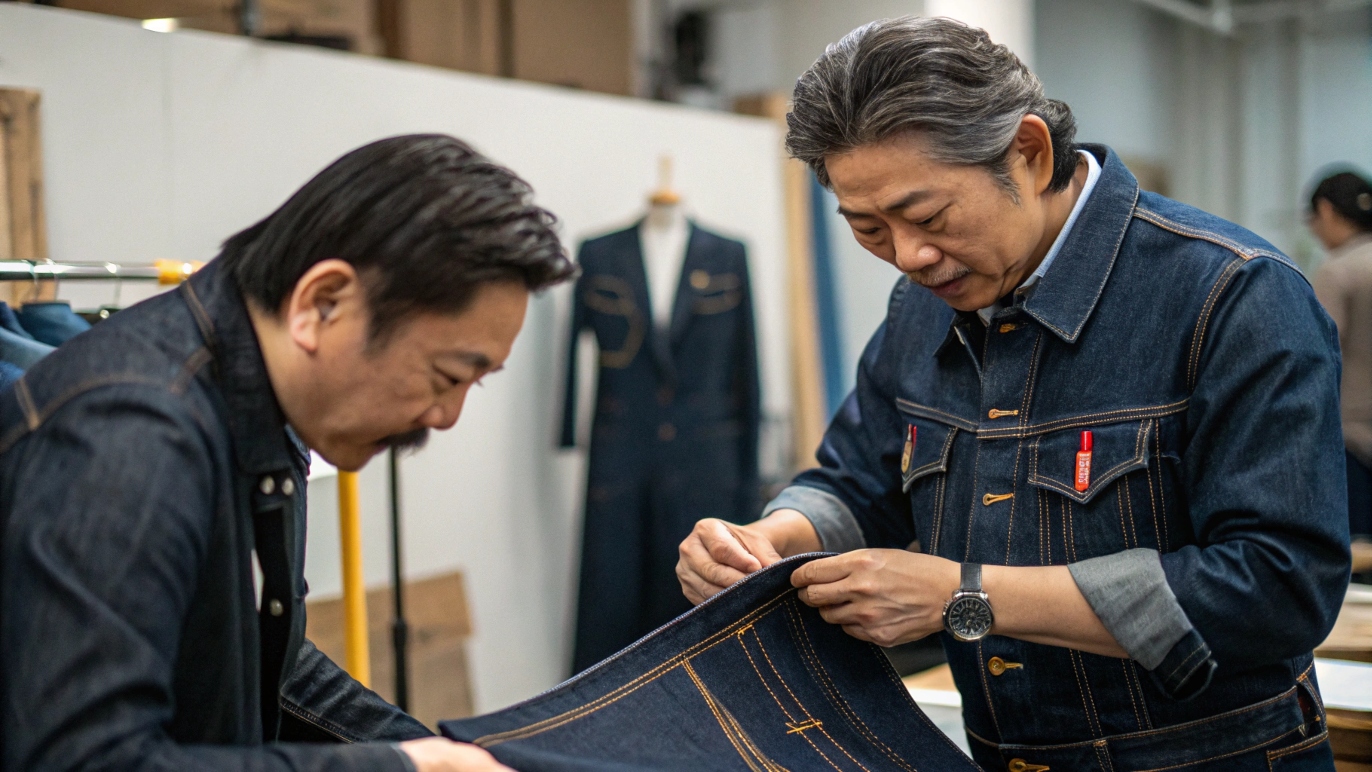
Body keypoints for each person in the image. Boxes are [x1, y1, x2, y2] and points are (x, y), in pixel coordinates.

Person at [677, 17, 1348, 771]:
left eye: (928, 217)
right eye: (868, 228)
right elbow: (859, 479)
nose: (910, 256)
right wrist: (770, 540)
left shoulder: (1232, 295)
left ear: (1027, 152)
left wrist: (965, 596)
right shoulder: (923, 305)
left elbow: (1279, 587)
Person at [1, 135, 575, 771]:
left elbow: (261, 655)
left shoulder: (257, 405)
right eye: (446, 376)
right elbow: (84, 762)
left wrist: (434, 755)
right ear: (323, 303)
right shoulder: (130, 435)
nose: (447, 416)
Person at [1309, 170, 1372, 539]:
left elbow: (1318, 357)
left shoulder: (1338, 271)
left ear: (1326, 210)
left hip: (1353, 443)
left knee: (1356, 554)